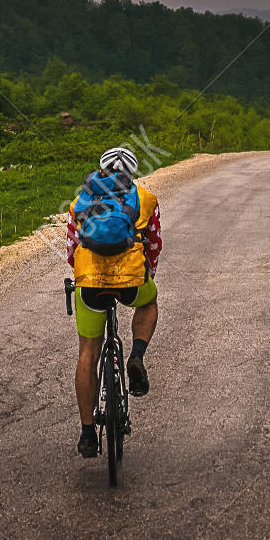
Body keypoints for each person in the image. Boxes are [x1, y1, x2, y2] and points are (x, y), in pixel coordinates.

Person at [66, 146, 162, 458]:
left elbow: (72, 252)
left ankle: (87, 434)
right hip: (131, 280)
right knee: (149, 302)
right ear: (132, 173)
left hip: (91, 284)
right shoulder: (146, 199)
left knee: (88, 355)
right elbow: (154, 245)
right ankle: (136, 356)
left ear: (101, 171)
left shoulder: (79, 201)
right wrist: (146, 273)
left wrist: (87, 274)